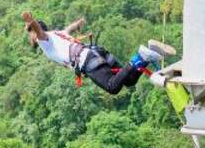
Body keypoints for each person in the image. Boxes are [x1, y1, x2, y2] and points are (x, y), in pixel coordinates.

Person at [22, 12, 174, 95]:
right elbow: (69, 28)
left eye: (30, 34)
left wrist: (31, 20)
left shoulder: (44, 41)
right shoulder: (57, 33)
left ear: (34, 33)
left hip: (87, 61)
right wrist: (78, 23)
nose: (30, 38)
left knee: (112, 87)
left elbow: (39, 31)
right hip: (96, 53)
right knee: (129, 81)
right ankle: (148, 53)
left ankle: (140, 56)